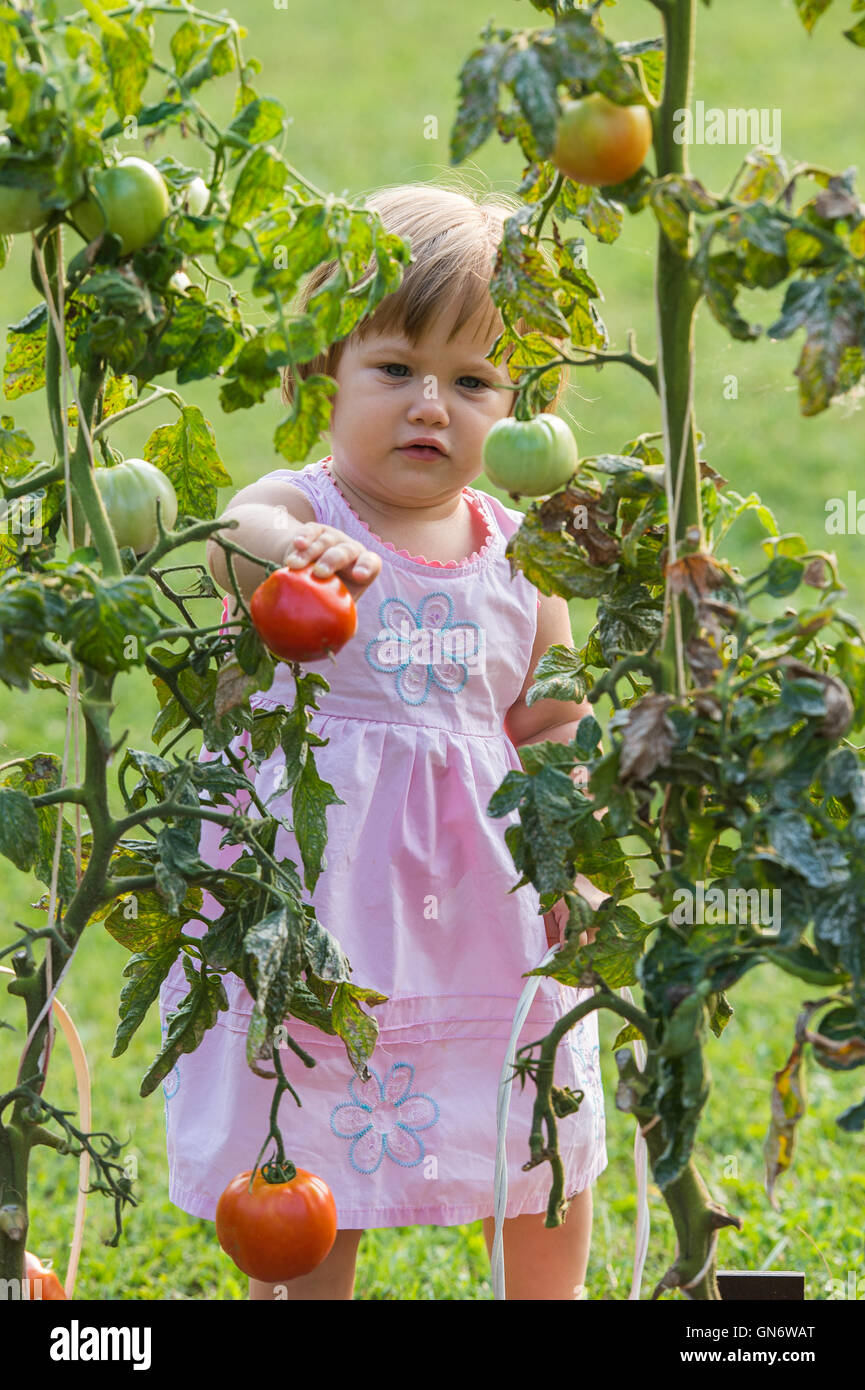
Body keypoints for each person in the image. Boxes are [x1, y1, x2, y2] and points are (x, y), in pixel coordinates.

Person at [158, 181, 608, 1301]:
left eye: (472, 383)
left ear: (519, 409)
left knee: (540, 1130)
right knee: (313, 1146)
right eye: (396, 368)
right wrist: (294, 554)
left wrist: (577, 853)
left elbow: (552, 720)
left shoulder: (521, 553)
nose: (430, 407)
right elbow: (230, 539)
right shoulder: (306, 509)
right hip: (322, 918)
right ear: (327, 368)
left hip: (491, 920)